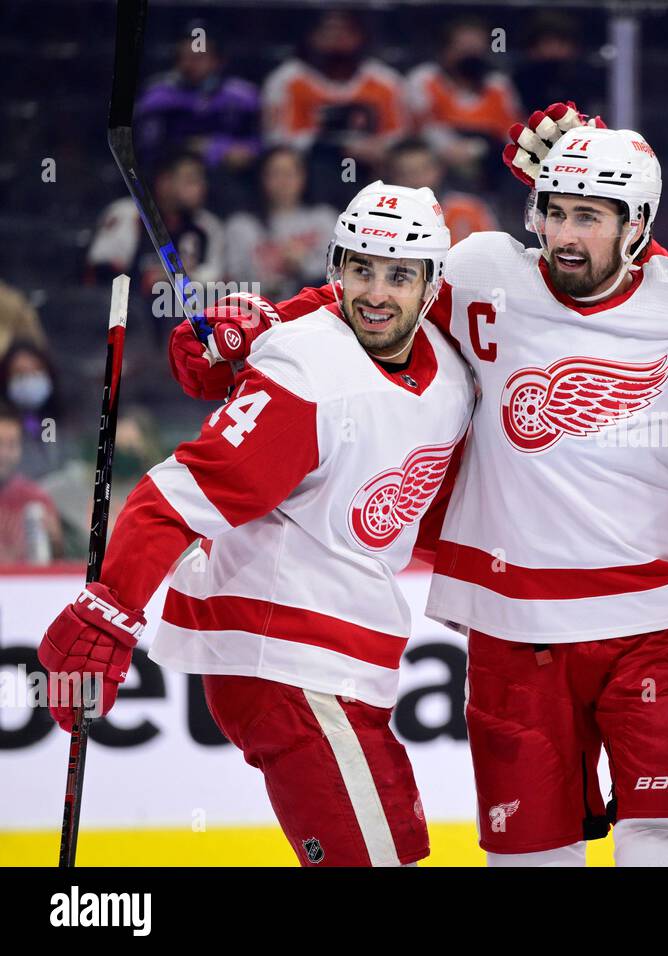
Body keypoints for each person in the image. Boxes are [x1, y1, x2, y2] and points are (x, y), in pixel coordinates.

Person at [169, 122, 668, 867]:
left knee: (666, 845)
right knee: (530, 857)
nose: (564, 235)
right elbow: (367, 301)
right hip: (513, 626)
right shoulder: (479, 270)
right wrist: (252, 331)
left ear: (639, 226)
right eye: (553, 211)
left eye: (590, 216)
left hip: (661, 623)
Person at [40, 182, 474, 867]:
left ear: (432, 284)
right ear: (338, 265)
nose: (377, 293)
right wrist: (111, 608)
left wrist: (261, 319)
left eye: (399, 275)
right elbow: (176, 497)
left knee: (392, 851)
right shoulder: (306, 378)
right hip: (287, 658)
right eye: (360, 268)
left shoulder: (449, 358)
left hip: (343, 661)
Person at [262, 11, 408, 204]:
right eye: (328, 33)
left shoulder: (385, 81)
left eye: (345, 33)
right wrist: (338, 148)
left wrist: (380, 148)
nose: (337, 41)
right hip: (313, 169)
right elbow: (278, 138)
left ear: (360, 37)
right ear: (311, 37)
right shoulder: (287, 80)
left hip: (373, 166)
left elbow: (401, 135)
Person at [86, 149, 225, 328]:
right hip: (122, 321)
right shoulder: (127, 214)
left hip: (183, 321)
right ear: (164, 183)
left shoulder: (208, 226)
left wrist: (172, 279)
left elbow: (216, 282)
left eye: (201, 180)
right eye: (191, 180)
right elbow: (100, 274)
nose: (201, 187)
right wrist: (144, 281)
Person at [135, 25, 261, 182]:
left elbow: (259, 143)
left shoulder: (243, 96)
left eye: (198, 58)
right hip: (172, 178)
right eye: (184, 57)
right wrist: (189, 148)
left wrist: (217, 149)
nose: (190, 64)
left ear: (217, 61)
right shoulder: (158, 96)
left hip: (229, 177)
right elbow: (147, 149)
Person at [407, 17, 521, 183]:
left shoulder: (498, 85)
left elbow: (511, 131)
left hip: (490, 163)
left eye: (476, 48)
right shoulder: (424, 79)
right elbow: (419, 127)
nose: (471, 55)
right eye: (464, 48)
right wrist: (448, 147)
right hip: (435, 163)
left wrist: (477, 149)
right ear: (445, 50)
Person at [224, 146, 337, 301]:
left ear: (303, 176)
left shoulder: (324, 218)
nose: (283, 182)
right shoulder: (241, 225)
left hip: (314, 311)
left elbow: (339, 275)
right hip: (257, 310)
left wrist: (304, 263)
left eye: (289, 174)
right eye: (275, 174)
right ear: (262, 178)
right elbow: (232, 281)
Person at [385, 137, 497, 245]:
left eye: (425, 169)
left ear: (438, 170)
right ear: (393, 177)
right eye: (407, 173)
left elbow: (494, 253)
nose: (418, 179)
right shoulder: (383, 219)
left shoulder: (470, 208)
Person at [0, 404, 62, 564]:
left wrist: (55, 542)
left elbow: (57, 562)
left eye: (12, 444)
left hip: (25, 586)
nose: (4, 453)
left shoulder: (36, 498)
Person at [0, 340, 63, 478]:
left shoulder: (51, 419)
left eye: (36, 370)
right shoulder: (5, 422)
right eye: (19, 373)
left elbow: (54, 461)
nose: (29, 379)